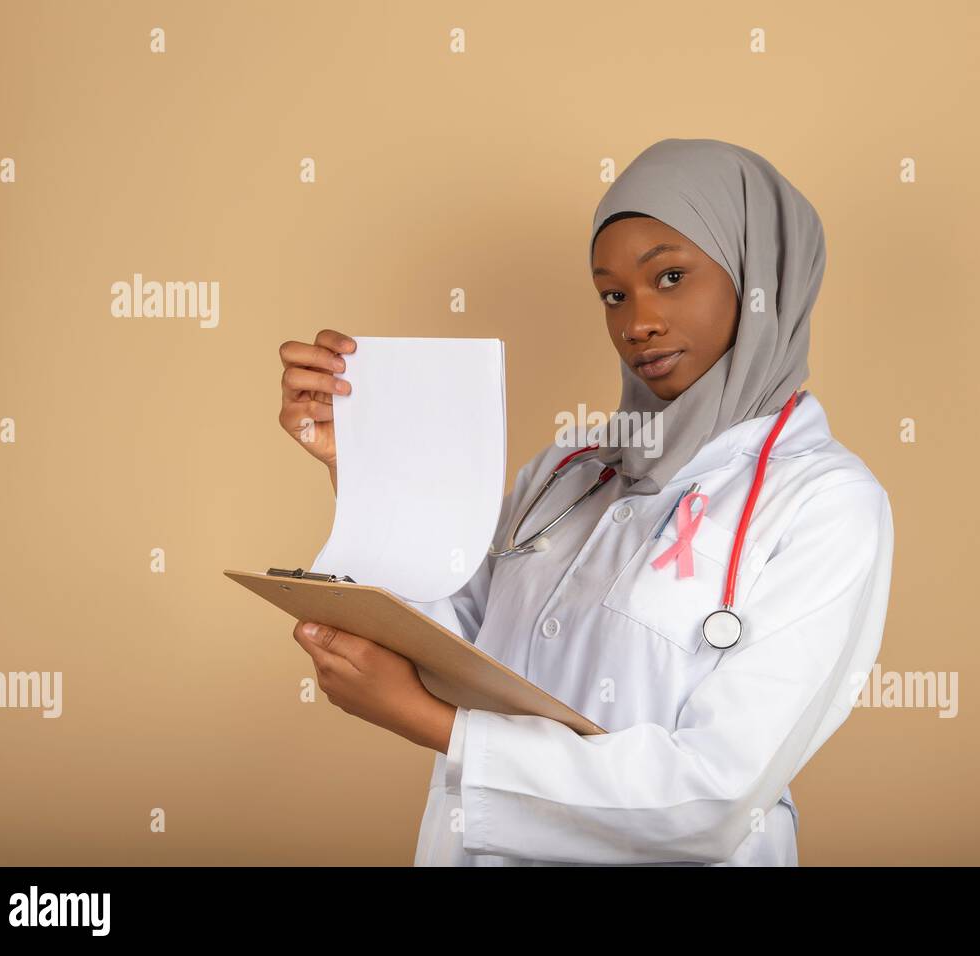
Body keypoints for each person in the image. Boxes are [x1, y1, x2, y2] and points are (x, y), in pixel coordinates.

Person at [275, 138, 895, 866]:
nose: (638, 322)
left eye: (670, 276)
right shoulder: (566, 472)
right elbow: (448, 640)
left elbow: (717, 797)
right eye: (614, 294)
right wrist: (362, 470)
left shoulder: (824, 502)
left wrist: (438, 727)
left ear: (761, 279)